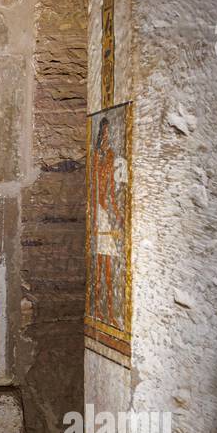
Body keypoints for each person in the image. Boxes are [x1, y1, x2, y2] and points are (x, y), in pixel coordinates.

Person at [91, 117, 123, 328]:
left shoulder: (110, 156)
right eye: (104, 132)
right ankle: (98, 311)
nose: (106, 136)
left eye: (109, 133)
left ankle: (109, 312)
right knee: (99, 267)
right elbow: (93, 187)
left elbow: (112, 189)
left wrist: (117, 213)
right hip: (97, 214)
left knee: (109, 267)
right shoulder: (96, 158)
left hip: (106, 214)